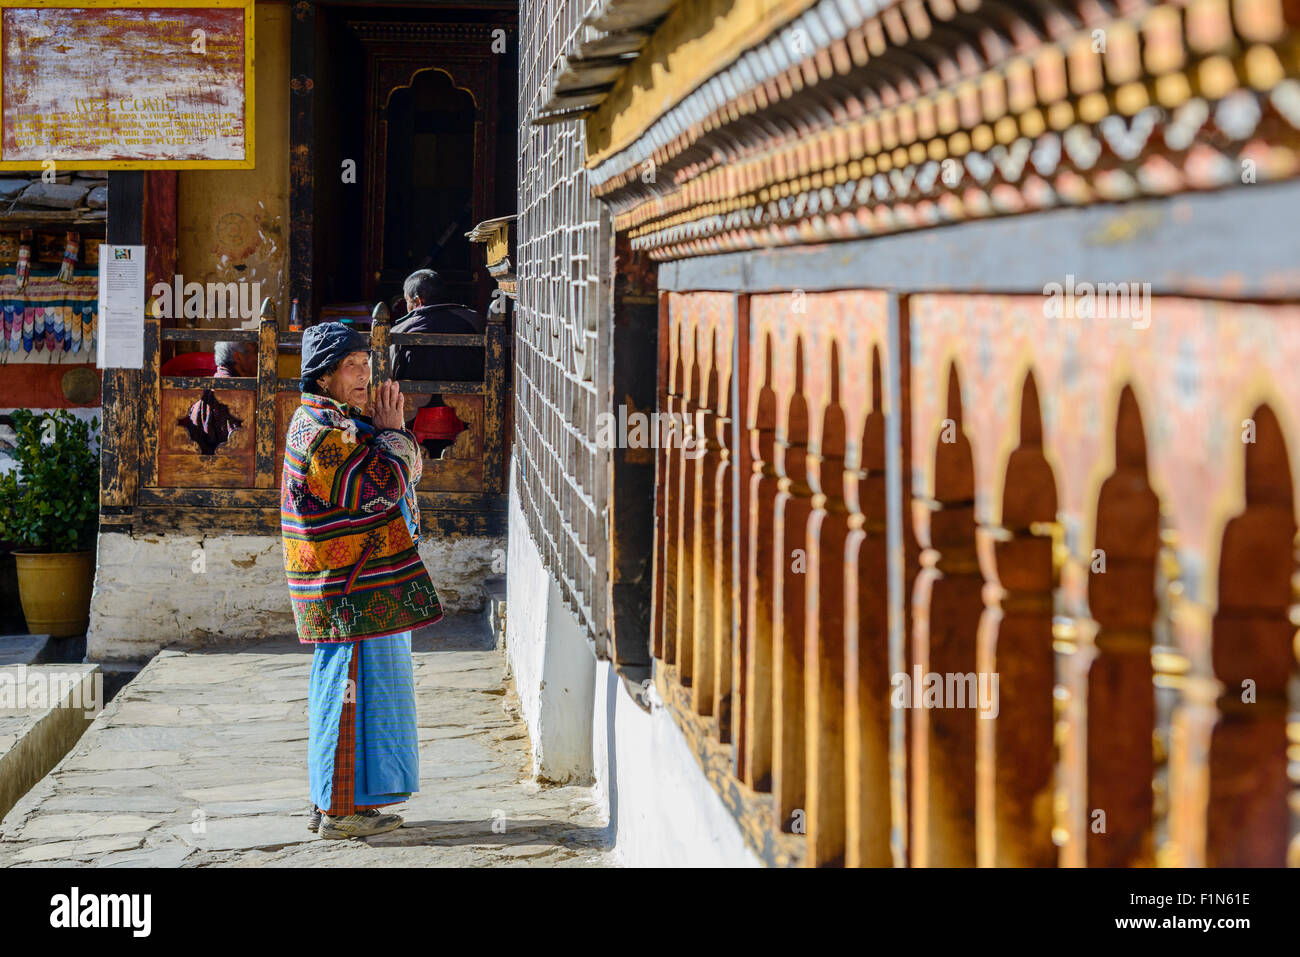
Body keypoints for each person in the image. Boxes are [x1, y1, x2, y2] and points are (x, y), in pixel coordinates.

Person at [280, 322, 444, 840]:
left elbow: (401, 474)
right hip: (348, 587)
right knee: (348, 694)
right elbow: (377, 487)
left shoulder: (346, 423)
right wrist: (396, 435)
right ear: (324, 376)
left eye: (367, 365)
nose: (364, 375)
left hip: (365, 582)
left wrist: (393, 442)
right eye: (352, 365)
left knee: (368, 694)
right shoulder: (320, 432)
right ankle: (337, 811)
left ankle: (338, 802)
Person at [389, 269, 484, 458]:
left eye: (408, 302)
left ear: (418, 301)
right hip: (473, 420)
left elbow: (383, 374)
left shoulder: (399, 330)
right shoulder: (477, 322)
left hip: (411, 419)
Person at [179, 340, 257, 454]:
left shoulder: (215, 385)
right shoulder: (231, 393)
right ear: (238, 357)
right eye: (255, 352)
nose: (260, 358)